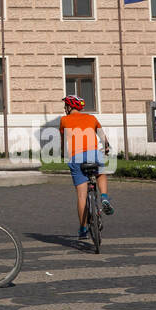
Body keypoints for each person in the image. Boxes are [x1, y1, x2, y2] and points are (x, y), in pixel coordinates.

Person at [59, 95, 114, 240]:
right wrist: (106, 148)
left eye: (66, 106)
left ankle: (83, 230)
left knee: (82, 196)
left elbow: (62, 142)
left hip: (76, 158)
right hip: (94, 155)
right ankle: (104, 197)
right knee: (101, 173)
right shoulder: (91, 118)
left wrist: (62, 154)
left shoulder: (64, 120)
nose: (65, 109)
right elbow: (103, 138)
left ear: (70, 107)